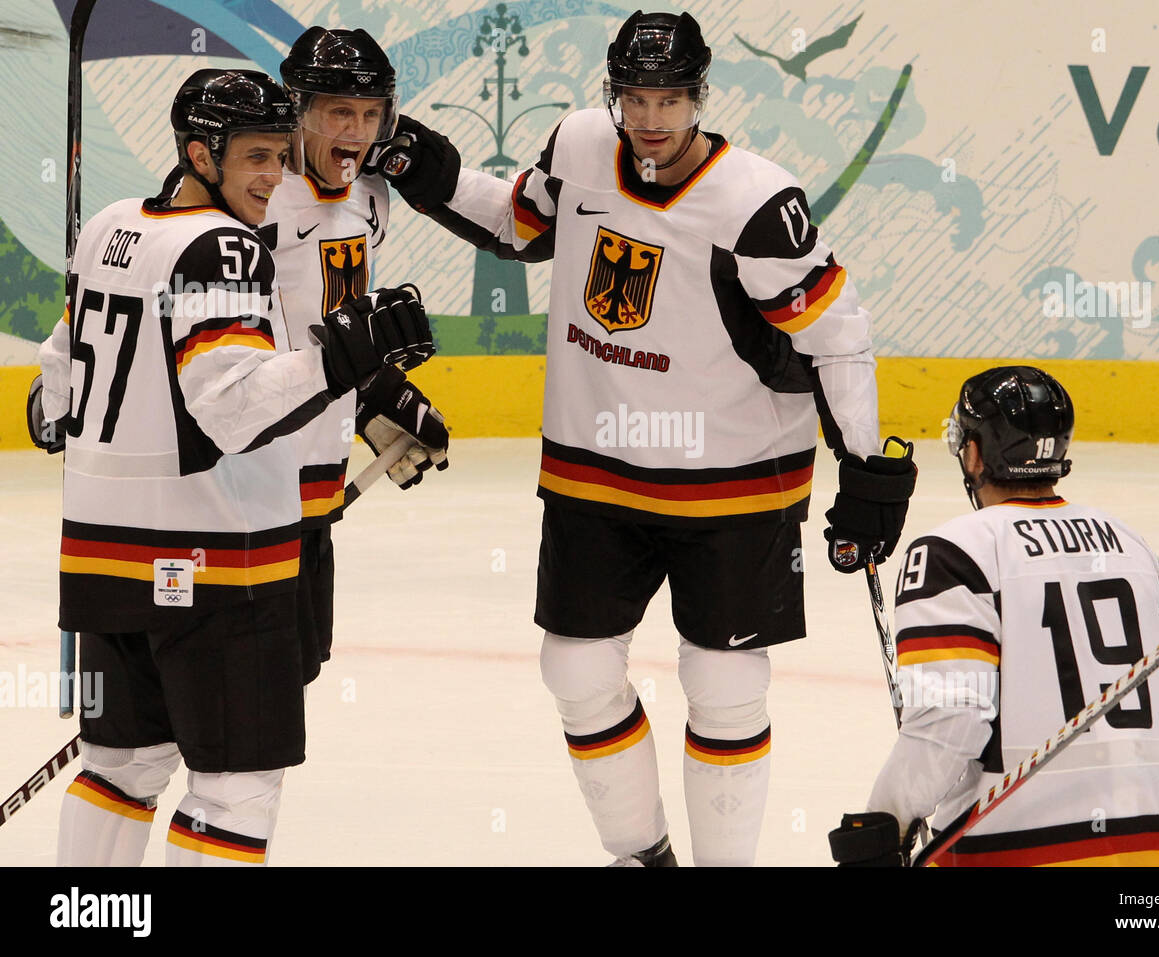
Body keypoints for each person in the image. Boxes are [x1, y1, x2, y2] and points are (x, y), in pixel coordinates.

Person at [367, 10, 916, 865]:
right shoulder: (583, 145)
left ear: (700, 96)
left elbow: (837, 333)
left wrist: (865, 469)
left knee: (725, 685)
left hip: (735, 478)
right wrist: (422, 164)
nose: (650, 118)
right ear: (611, 96)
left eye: (668, 98)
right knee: (576, 670)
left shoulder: (756, 203)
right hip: (597, 471)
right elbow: (517, 222)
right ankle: (640, 854)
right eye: (634, 97)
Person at [28, 69, 432, 866]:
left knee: (125, 767)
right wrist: (349, 353)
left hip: (103, 562)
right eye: (253, 157)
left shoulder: (111, 226)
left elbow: (50, 406)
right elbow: (234, 410)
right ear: (198, 154)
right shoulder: (225, 247)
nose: (272, 178)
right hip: (214, 567)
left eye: (282, 158)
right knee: (235, 789)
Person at [829, 367, 1159, 867]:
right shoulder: (1133, 546)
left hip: (1010, 852)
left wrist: (885, 823)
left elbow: (949, 724)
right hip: (1150, 847)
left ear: (974, 453)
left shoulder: (954, 553)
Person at [259, 25, 450, 684]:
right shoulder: (255, 197)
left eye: (371, 114)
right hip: (249, 480)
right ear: (298, 109)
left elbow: (333, 327)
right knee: (236, 698)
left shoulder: (372, 197)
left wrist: (373, 398)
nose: (357, 129)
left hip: (319, 472)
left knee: (291, 679)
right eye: (340, 111)